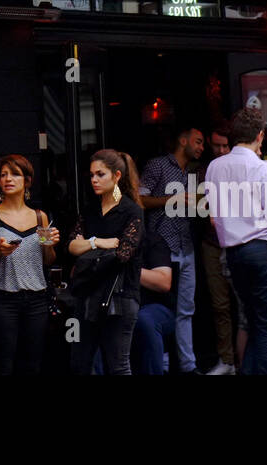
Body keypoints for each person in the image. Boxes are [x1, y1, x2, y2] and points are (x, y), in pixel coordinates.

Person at [204, 107, 267, 375]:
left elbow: (215, 213)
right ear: (260, 135)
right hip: (265, 251)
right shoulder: (260, 168)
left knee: (256, 323)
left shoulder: (214, 167)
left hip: (234, 254)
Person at [0, 154, 58, 375]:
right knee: (3, 364)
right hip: (3, 299)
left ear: (27, 181)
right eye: (3, 175)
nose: (8, 179)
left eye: (15, 174)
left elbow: (48, 260)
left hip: (37, 299)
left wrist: (49, 244)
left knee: (32, 364)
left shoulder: (40, 217)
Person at [66, 149, 145, 375]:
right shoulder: (90, 210)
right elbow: (71, 246)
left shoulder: (132, 211)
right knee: (79, 363)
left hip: (119, 295)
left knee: (118, 366)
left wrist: (86, 254)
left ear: (117, 176)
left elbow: (122, 255)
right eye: (91, 175)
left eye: (100, 174)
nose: (94, 180)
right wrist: (98, 242)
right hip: (87, 295)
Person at [138, 127, 202, 375]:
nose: (201, 147)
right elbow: (140, 199)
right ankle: (163, 365)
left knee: (187, 308)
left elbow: (193, 206)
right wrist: (170, 199)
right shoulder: (157, 165)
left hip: (186, 245)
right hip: (161, 247)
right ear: (183, 140)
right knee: (162, 308)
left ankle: (188, 365)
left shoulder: (194, 172)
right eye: (197, 142)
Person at [196, 123, 237, 374]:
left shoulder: (241, 167)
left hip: (238, 241)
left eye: (226, 145)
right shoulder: (203, 171)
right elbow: (199, 210)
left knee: (244, 304)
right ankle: (227, 360)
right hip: (212, 242)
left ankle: (245, 358)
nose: (221, 150)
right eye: (217, 145)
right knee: (220, 304)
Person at [130, 215, 178, 375]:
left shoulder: (151, 240)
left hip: (152, 305)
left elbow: (164, 282)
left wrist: (126, 267)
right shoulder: (101, 241)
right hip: (113, 304)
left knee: (144, 320)